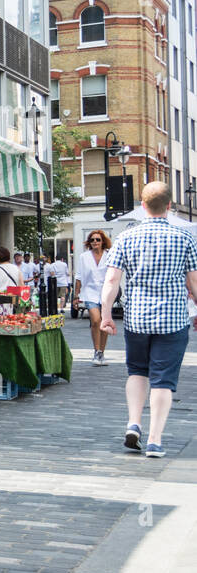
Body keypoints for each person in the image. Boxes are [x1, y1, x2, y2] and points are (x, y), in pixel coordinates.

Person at [99, 182, 197, 458]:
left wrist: (106, 315)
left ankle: (133, 423)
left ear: (142, 206)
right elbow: (193, 281)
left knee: (137, 371)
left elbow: (111, 280)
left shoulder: (125, 238)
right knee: (164, 381)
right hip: (173, 319)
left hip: (137, 318)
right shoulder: (184, 238)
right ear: (169, 206)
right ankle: (154, 440)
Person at [76, 229, 113, 366]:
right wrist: (76, 296)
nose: (95, 242)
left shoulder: (109, 255)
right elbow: (79, 276)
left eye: (98, 239)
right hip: (89, 292)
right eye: (92, 240)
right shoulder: (84, 257)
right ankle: (96, 351)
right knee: (96, 320)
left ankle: (101, 353)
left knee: (104, 323)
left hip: (106, 293)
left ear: (103, 241)